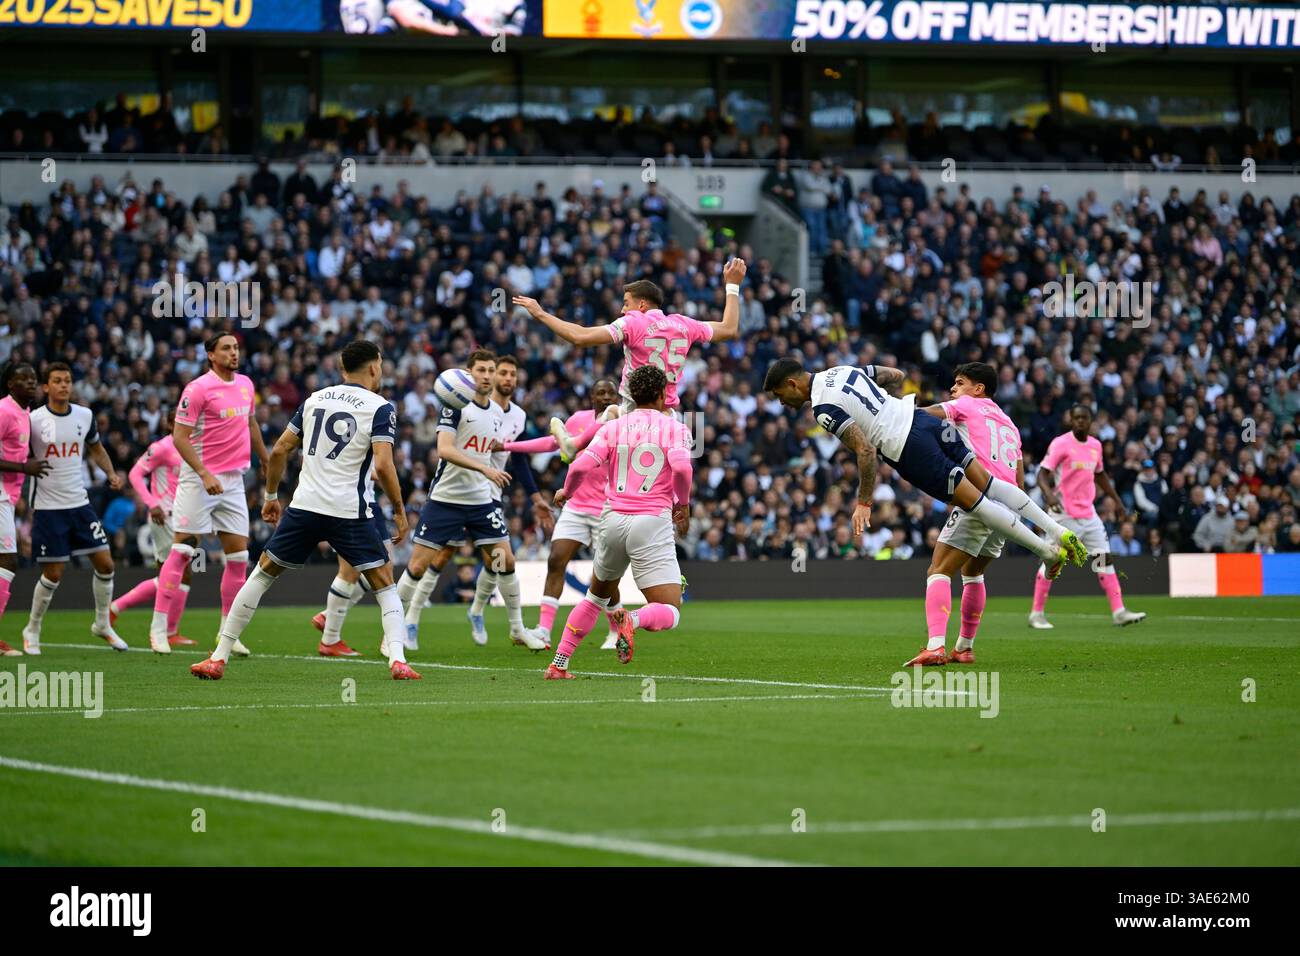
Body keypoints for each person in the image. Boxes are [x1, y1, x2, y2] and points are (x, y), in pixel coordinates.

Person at [763, 358, 1086, 663]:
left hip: (908, 448)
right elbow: (895, 376)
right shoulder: (843, 370)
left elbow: (865, 449)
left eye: (780, 396)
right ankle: (1056, 531)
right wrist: (881, 405)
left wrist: (864, 502)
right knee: (987, 485)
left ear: (793, 384)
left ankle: (1045, 552)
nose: (782, 403)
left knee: (976, 506)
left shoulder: (822, 407)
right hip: (920, 420)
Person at [190, 340, 417, 680]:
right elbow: (384, 467)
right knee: (384, 583)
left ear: (343, 369)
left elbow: (280, 449)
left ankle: (218, 657)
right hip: (348, 509)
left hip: (305, 506)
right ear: (374, 367)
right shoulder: (380, 407)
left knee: (263, 573)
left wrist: (270, 495)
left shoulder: (315, 399)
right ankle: (398, 660)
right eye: (381, 365)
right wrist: (399, 511)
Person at [544, 366, 693, 679]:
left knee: (595, 597)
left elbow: (580, 464)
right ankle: (632, 620)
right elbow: (681, 469)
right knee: (671, 609)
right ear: (662, 394)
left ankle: (559, 664)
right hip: (650, 521)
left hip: (611, 521)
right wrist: (683, 504)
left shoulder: (612, 427)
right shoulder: (675, 428)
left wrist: (565, 492)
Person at [512, 257, 746, 455]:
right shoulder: (683, 323)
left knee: (610, 422)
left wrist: (540, 314)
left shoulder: (633, 321)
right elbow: (728, 329)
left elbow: (579, 337)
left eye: (626, 303)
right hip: (667, 416)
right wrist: (732, 286)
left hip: (634, 413)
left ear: (642, 304)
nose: (623, 310)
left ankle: (575, 445)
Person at [394, 350, 546, 652]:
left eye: (493, 370)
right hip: (447, 499)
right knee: (420, 565)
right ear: (469, 373)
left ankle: (515, 628)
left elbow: (508, 453)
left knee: (505, 561)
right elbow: (445, 450)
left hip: (482, 499)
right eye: (483, 370)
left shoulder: (500, 414)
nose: (489, 376)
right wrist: (486, 467)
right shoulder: (454, 406)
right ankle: (399, 628)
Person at [150, 333, 269, 656]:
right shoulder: (198, 389)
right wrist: (204, 473)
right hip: (199, 480)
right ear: (211, 355)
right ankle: (158, 629)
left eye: (236, 347)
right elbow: (179, 437)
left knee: (239, 556)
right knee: (183, 549)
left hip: (234, 480)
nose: (234, 353)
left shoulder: (245, 383)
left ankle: (227, 632)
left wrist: (266, 459)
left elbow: (251, 424)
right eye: (226, 348)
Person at [911, 362, 1023, 665]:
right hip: (1009, 505)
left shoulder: (966, 405)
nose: (953, 389)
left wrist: (896, 410)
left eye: (959, 383)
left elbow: (924, 415)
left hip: (981, 500)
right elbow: (1019, 476)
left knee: (938, 570)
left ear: (978, 389)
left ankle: (936, 646)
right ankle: (964, 647)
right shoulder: (1009, 424)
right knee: (973, 572)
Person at [502, 378, 626, 650]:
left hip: (607, 507)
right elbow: (551, 443)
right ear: (591, 397)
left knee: (604, 572)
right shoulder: (578, 419)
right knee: (556, 559)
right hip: (576, 505)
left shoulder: (621, 423)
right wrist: (508, 446)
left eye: (610, 393)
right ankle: (545, 630)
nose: (606, 397)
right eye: (600, 393)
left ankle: (617, 628)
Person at [22, 362, 128, 654]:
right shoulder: (33, 420)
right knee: (54, 573)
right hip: (48, 507)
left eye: (67, 380)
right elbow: (21, 456)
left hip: (79, 503)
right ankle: (32, 628)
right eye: (57, 380)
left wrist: (110, 473)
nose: (64, 385)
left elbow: (95, 447)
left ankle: (102, 624)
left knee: (106, 564)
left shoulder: (85, 415)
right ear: (45, 387)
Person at [1030, 404, 1146, 628]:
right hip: (1062, 513)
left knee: (1103, 558)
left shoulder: (1095, 446)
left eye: (1084, 418)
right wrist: (1048, 496)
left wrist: (1118, 502)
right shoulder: (1061, 443)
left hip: (1088, 514)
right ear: (1071, 420)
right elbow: (1042, 474)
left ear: (1091, 421)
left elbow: (1100, 475)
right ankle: (1037, 613)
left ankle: (1119, 611)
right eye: (1077, 418)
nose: (1080, 422)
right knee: (1053, 559)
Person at [465, 354, 553, 645]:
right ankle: (405, 626)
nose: (507, 379)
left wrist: (536, 498)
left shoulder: (518, 415)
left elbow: (519, 459)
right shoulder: (472, 407)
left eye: (512, 374)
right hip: (458, 489)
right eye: (502, 373)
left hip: (489, 493)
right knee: (431, 559)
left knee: (501, 558)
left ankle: (487, 615)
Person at [109, 409, 195, 646]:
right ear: (169, 424)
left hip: (187, 517)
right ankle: (118, 609)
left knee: (183, 574)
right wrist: (152, 503)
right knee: (173, 574)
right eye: (177, 420)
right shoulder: (162, 447)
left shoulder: (194, 446)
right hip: (164, 517)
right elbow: (136, 474)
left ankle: (170, 630)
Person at [0, 362, 51, 655]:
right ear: (10, 383)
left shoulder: (25, 413)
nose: (31, 382)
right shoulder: (5, 411)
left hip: (8, 495)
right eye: (23, 378)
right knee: (7, 561)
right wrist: (24, 467)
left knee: (6, 562)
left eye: (34, 378)